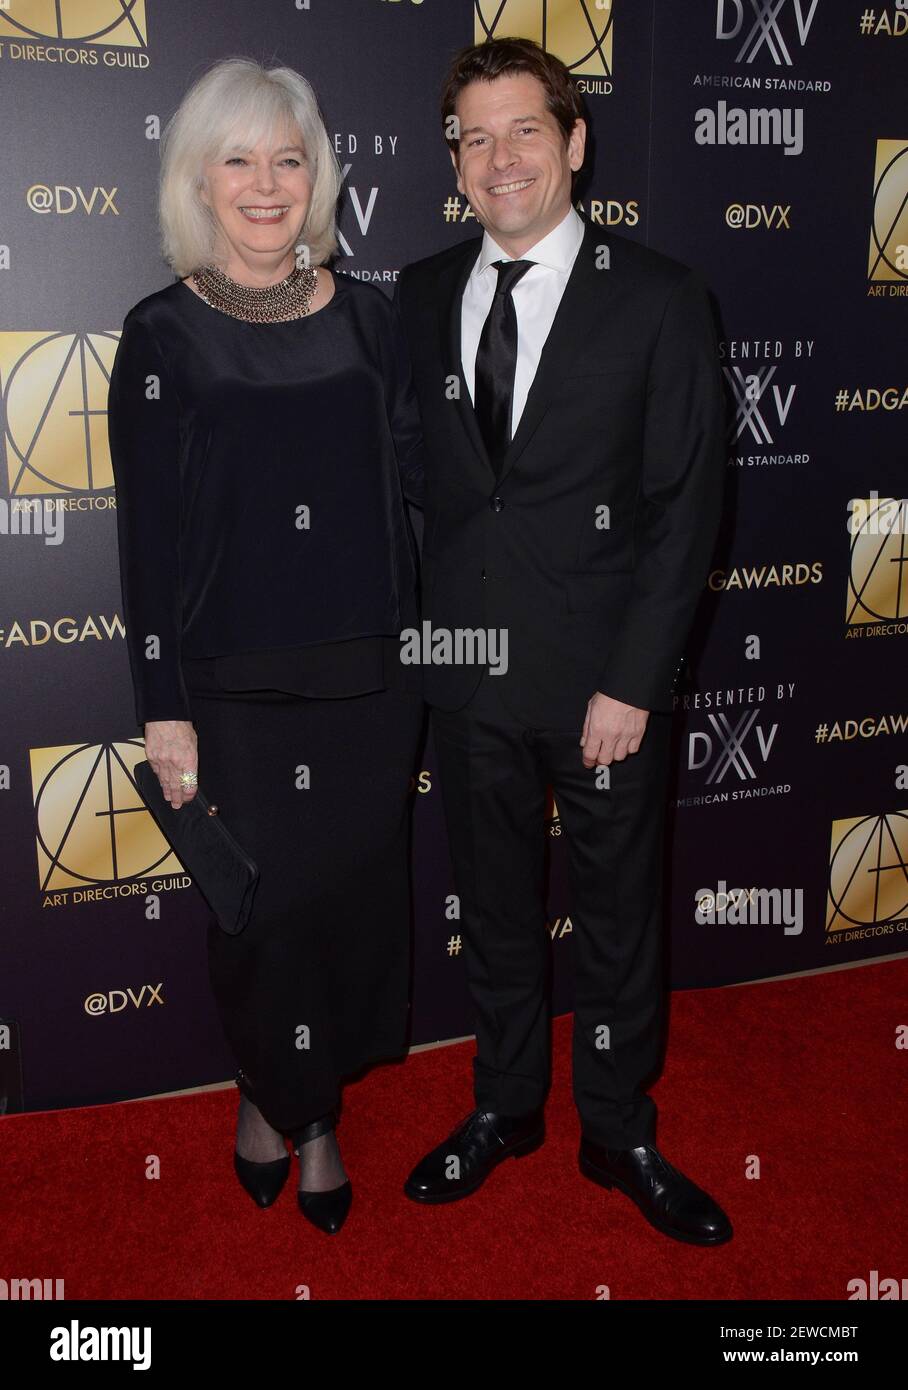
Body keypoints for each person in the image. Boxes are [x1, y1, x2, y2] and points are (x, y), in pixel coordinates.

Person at [395, 38, 732, 1245]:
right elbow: (418, 492)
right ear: (453, 161)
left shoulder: (656, 297)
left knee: (616, 917)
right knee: (489, 913)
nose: (500, 159)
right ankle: (502, 1108)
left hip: (603, 690)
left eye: (524, 131)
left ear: (574, 142)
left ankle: (616, 1127)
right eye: (474, 138)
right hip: (464, 682)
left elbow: (684, 506)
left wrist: (632, 682)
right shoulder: (424, 294)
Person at [107, 57, 424, 1236]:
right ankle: (269, 1097)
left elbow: (419, 496)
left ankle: (320, 1112)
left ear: (317, 175)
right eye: (237, 158)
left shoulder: (370, 317)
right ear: (198, 177)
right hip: (234, 689)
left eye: (287, 158)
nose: (264, 182)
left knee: (346, 906)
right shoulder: (163, 333)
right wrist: (162, 706)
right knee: (260, 917)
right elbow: (146, 540)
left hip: (368, 680)